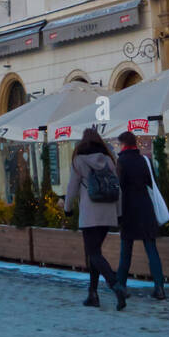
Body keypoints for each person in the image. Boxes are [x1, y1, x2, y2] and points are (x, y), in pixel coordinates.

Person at [63, 128, 127, 310]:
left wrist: (68, 209)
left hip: (90, 213)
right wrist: (119, 212)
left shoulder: (79, 161)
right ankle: (93, 294)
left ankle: (116, 285)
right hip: (108, 213)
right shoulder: (108, 160)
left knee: (93, 254)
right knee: (95, 254)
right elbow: (117, 188)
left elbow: (72, 186)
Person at [115, 131, 165, 301]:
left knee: (126, 252)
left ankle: (121, 285)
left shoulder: (120, 162)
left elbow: (119, 188)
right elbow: (153, 184)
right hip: (145, 208)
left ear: (123, 144)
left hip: (128, 209)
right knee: (152, 250)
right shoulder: (145, 160)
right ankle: (159, 288)